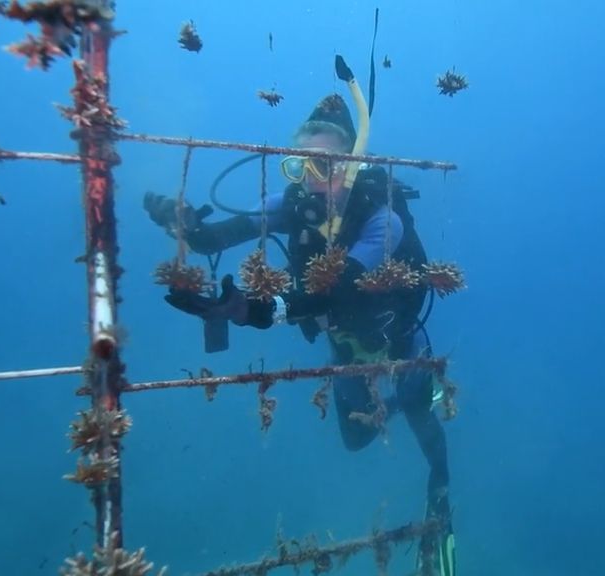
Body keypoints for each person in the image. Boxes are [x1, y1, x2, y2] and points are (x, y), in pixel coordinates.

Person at [144, 92, 456, 575]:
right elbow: (218, 236)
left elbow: (339, 288)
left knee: (421, 415)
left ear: (352, 165)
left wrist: (260, 310)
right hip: (343, 343)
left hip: (396, 338)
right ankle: (392, 406)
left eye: (325, 166)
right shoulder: (289, 206)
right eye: (300, 166)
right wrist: (184, 226)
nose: (312, 180)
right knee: (355, 439)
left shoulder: (382, 218)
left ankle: (441, 490)